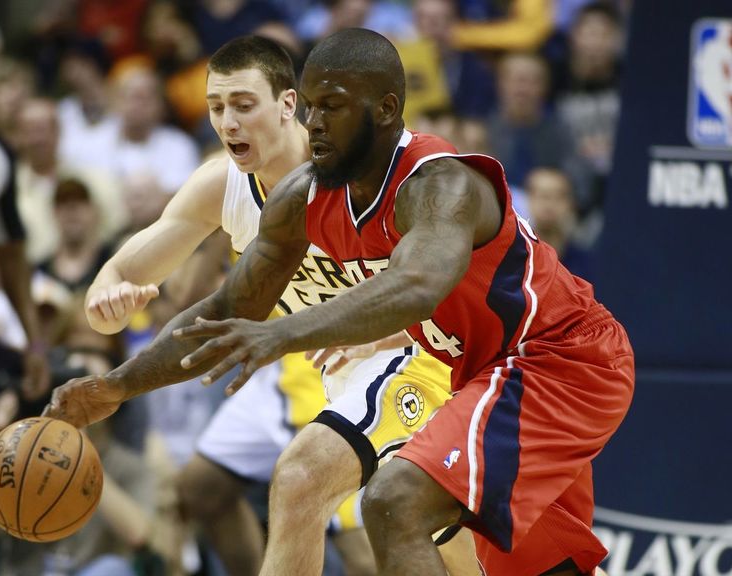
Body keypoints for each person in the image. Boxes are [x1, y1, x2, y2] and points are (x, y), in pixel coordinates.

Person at [52, 35, 474, 576]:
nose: (228, 123)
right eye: (216, 108)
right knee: (472, 553)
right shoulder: (221, 185)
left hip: (423, 359)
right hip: (331, 369)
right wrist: (103, 300)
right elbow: (127, 272)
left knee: (304, 482)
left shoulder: (359, 169)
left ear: (289, 105)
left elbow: (442, 280)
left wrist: (386, 331)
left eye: (243, 106)